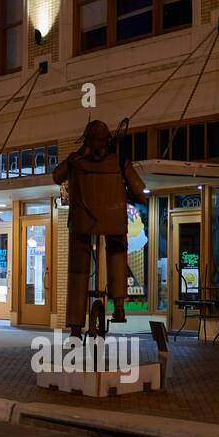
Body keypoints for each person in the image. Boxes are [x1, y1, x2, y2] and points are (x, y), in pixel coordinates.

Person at [53, 119, 147, 337]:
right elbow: (140, 191)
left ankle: (76, 327)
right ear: (107, 140)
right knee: (117, 253)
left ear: (86, 139)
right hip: (113, 220)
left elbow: (56, 176)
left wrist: (76, 155)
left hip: (82, 221)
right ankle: (120, 307)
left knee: (77, 269)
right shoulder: (119, 161)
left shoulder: (75, 160)